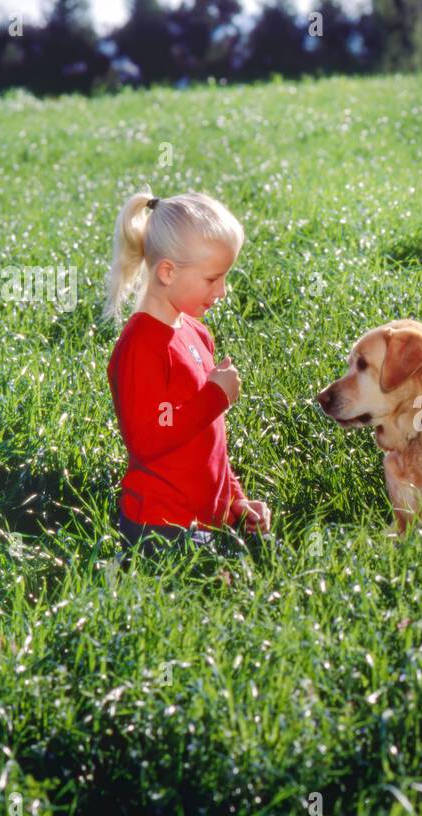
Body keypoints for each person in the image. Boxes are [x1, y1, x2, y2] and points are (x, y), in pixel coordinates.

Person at [103, 189, 271, 557]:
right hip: (160, 526)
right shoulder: (141, 346)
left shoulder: (195, 332)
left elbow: (210, 444)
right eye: (212, 279)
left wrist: (235, 502)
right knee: (225, 591)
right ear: (167, 272)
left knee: (258, 565)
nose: (223, 291)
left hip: (202, 520)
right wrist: (215, 397)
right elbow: (148, 438)